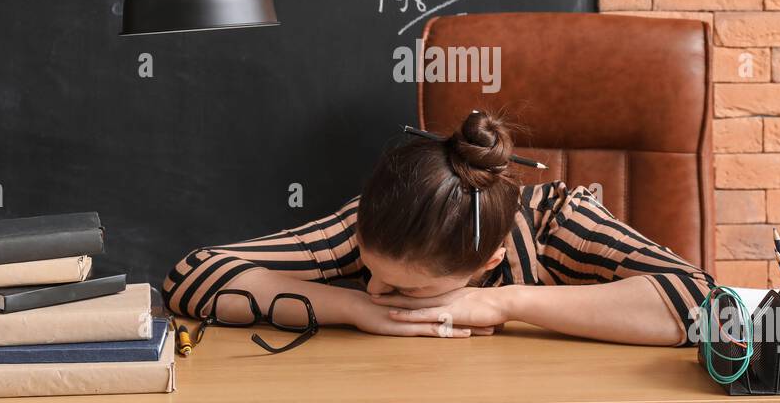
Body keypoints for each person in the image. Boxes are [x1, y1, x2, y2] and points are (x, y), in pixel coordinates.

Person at [163, 111, 714, 346]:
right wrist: (355, 310)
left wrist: (507, 305)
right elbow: (193, 276)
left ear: (488, 261)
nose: (377, 289)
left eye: (405, 288)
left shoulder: (560, 223)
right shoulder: (376, 226)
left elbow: (706, 305)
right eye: (372, 273)